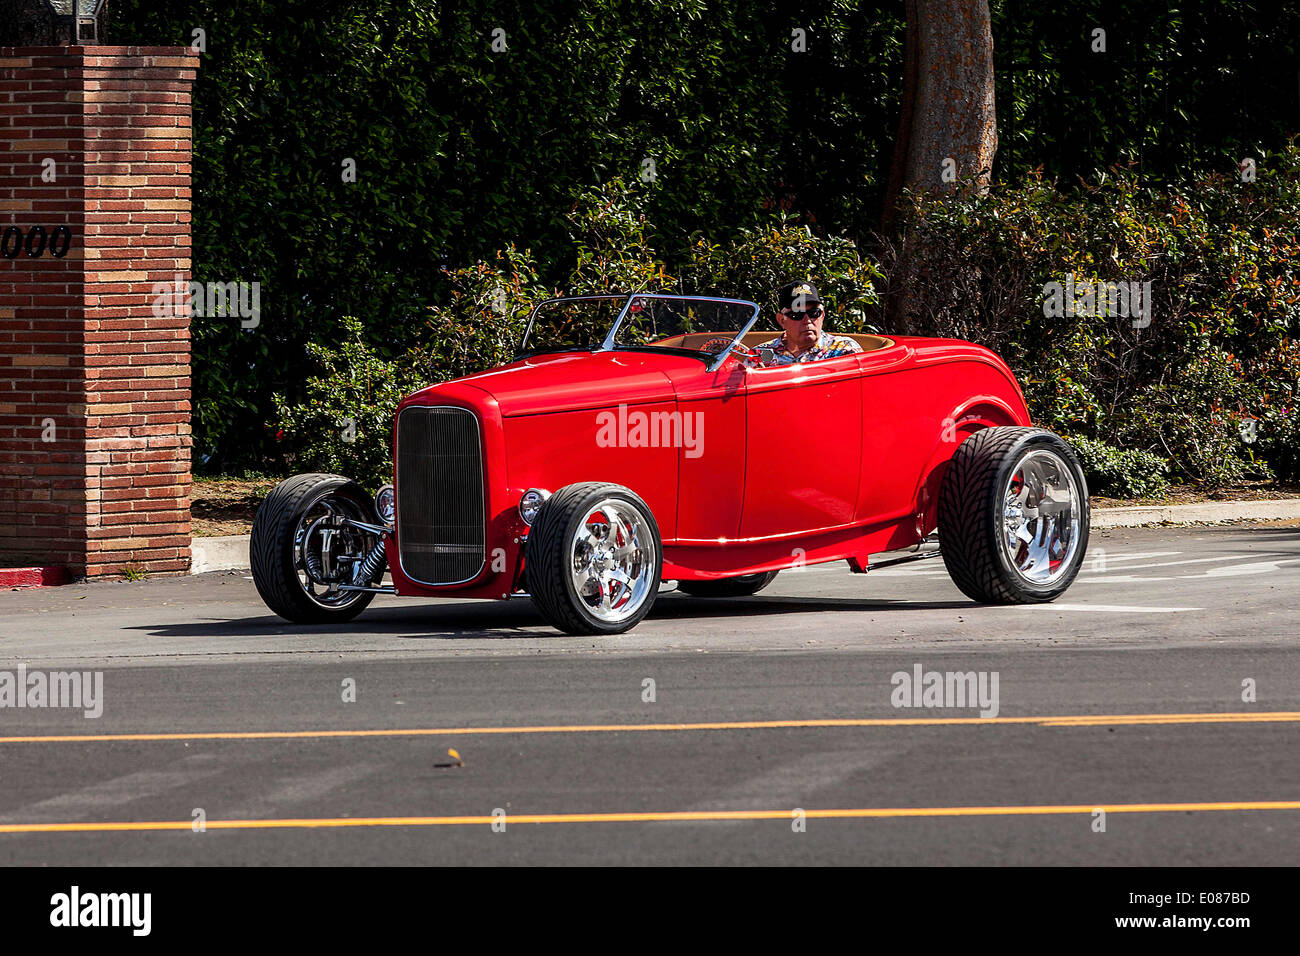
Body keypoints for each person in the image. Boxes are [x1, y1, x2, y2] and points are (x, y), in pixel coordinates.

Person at [755, 281, 862, 365]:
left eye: (814, 313)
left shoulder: (843, 350)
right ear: (781, 320)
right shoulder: (764, 354)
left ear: (823, 315)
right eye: (797, 314)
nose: (807, 320)